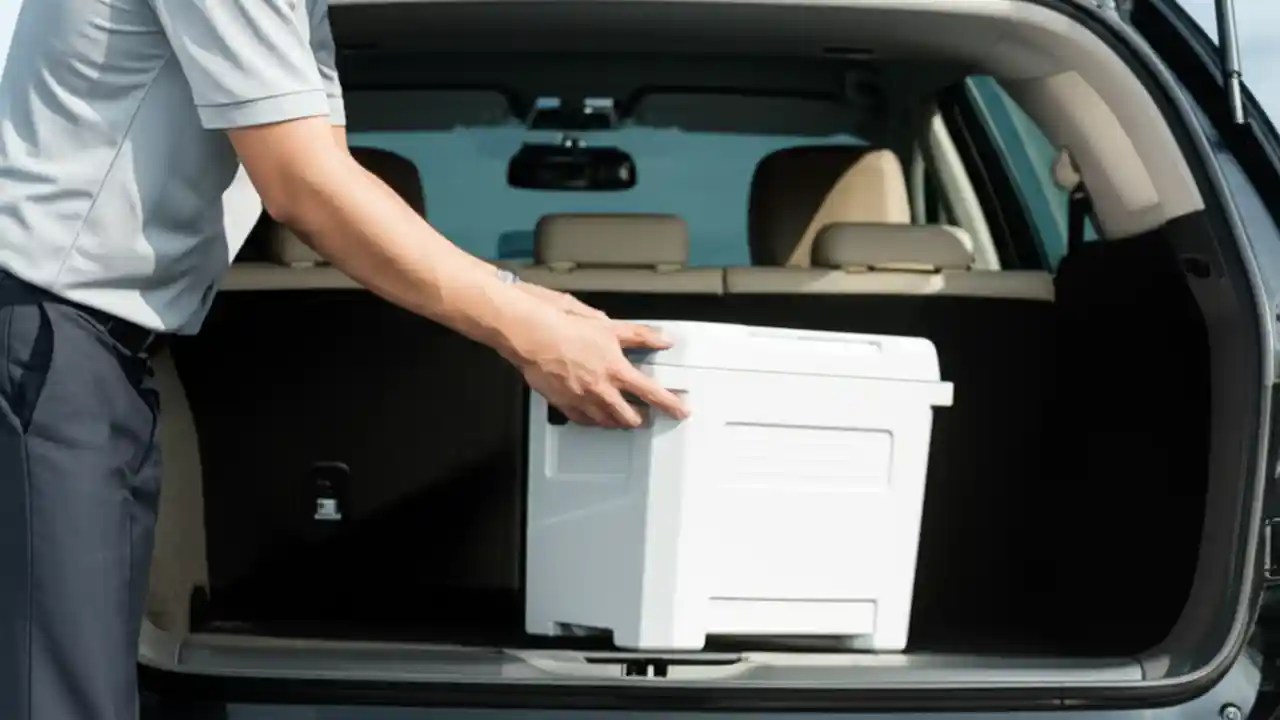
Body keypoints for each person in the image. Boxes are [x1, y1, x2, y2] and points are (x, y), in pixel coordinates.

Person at [0, 0, 690, 717]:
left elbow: (327, 164)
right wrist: (523, 324)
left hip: (94, 347)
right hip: (49, 335)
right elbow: (305, 188)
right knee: (55, 698)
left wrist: (537, 307)